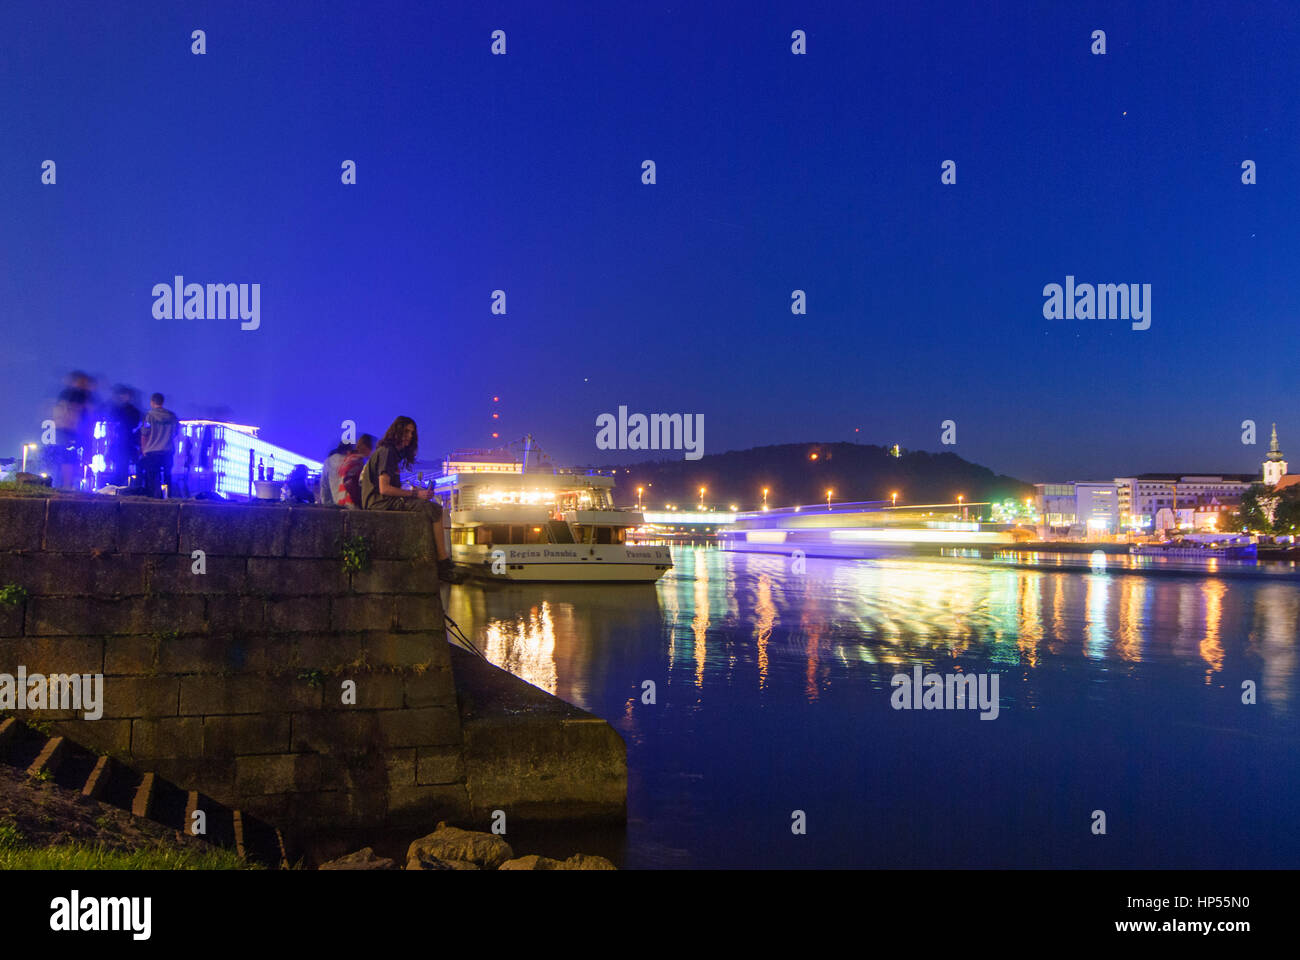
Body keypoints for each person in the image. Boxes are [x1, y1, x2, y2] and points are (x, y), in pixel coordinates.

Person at [361, 418, 460, 581]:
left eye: (412, 432)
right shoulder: (388, 452)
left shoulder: (388, 452)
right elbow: (384, 489)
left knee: (429, 506)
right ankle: (443, 562)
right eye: (406, 431)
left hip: (378, 500)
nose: (409, 436)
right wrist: (416, 495)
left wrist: (415, 492)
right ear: (396, 431)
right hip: (379, 502)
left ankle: (442, 561)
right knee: (435, 510)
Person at [50, 371, 97, 489]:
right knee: (69, 457)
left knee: (71, 458)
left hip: (74, 431)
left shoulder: (74, 394)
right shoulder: (75, 395)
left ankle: (67, 483)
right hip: (71, 431)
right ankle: (67, 484)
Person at [138, 393, 178, 498]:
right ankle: (168, 498)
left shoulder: (149, 416)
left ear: (152, 402)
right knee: (167, 475)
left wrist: (143, 449)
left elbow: (144, 433)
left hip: (152, 451)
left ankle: (155, 499)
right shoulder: (172, 416)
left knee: (152, 478)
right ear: (162, 402)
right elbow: (175, 433)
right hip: (167, 450)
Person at [107, 385, 142, 486]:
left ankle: (118, 483)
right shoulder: (133, 411)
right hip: (126, 442)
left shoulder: (120, 410)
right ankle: (122, 483)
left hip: (123, 441)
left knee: (121, 464)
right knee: (122, 464)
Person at [337, 434, 374, 508]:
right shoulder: (359, 461)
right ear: (366, 447)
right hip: (352, 502)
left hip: (342, 500)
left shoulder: (348, 459)